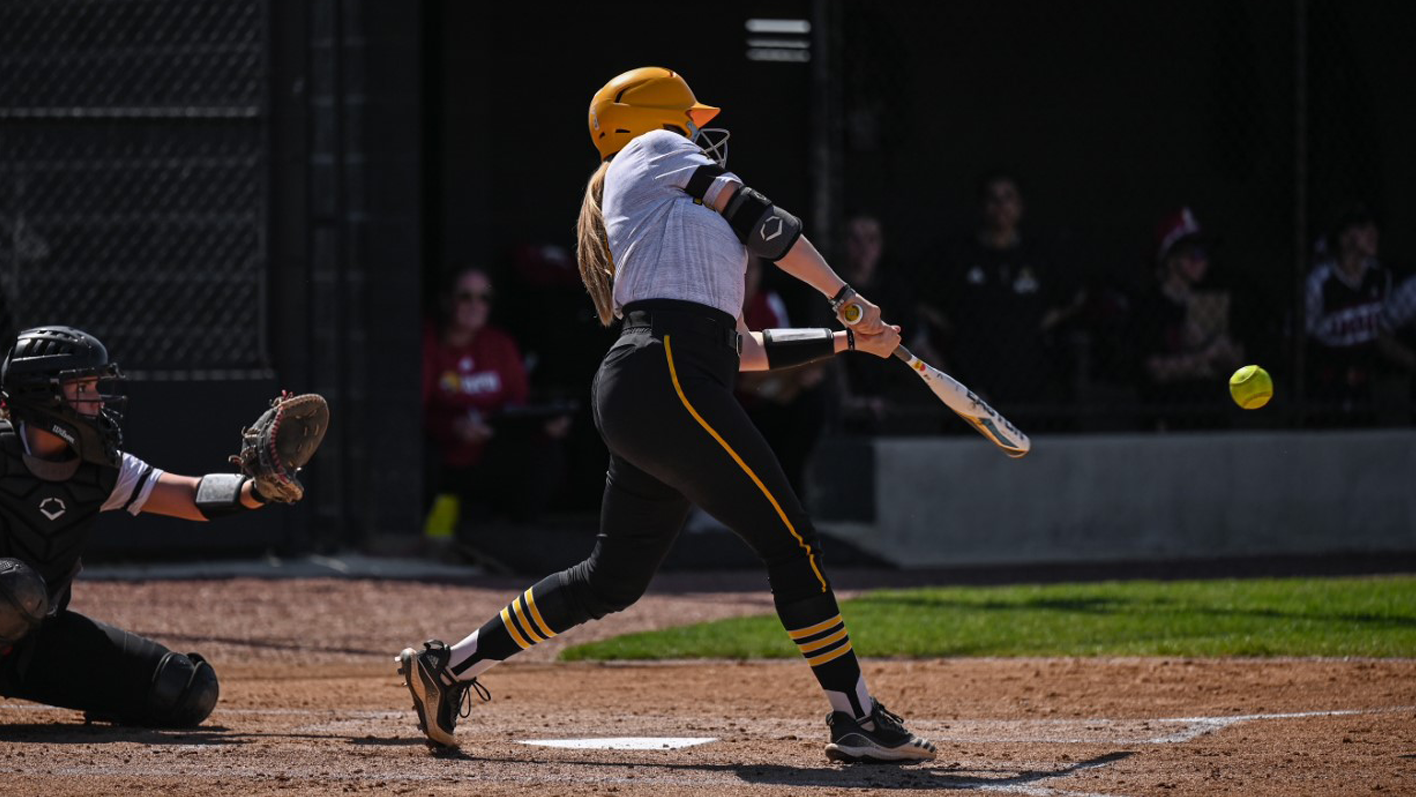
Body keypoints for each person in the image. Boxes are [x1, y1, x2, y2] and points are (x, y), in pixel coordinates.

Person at [397, 66, 936, 764]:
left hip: (659, 385)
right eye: (689, 117)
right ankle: (855, 713)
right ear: (650, 119)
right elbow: (762, 219)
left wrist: (847, 339)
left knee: (610, 579)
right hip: (668, 378)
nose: (699, 131)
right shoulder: (651, 150)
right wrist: (846, 296)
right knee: (792, 542)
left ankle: (449, 666)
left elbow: (739, 347)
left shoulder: (674, 212)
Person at [0, 326, 309, 728]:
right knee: (13, 587)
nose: (97, 400)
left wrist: (258, 489)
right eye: (83, 387)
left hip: (39, 639)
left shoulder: (100, 468)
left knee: (182, 690)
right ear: (42, 395)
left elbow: (190, 496)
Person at [422, 267, 570, 540]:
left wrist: (542, 426)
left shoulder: (499, 344)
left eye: (483, 298)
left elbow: (518, 405)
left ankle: (521, 534)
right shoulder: (427, 343)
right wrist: (453, 427)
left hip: (493, 451)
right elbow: (413, 413)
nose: (475, 305)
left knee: (546, 452)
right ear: (447, 300)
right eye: (465, 296)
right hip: (446, 458)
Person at [918, 172, 1084, 411]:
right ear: (982, 206)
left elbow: (1072, 299)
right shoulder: (958, 256)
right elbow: (924, 304)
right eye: (993, 199)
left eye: (1008, 198)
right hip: (974, 375)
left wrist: (1041, 324)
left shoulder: (1038, 256)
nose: (1001, 207)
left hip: (1029, 376)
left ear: (1020, 206)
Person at [1131, 208, 1245, 428]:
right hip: (1169, 417)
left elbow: (1237, 360)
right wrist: (1203, 356)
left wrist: (1224, 353)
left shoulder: (1211, 301)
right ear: (1170, 260)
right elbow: (1154, 369)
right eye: (1193, 254)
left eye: (1204, 254)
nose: (1202, 261)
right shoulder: (1150, 306)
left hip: (1212, 416)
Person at [1305, 206, 1416, 421]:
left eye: (1374, 227)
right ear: (1345, 236)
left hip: (1367, 382)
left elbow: (1383, 332)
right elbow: (1305, 337)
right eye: (1364, 228)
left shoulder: (1379, 277)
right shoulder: (1321, 284)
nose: (1373, 233)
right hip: (1329, 384)